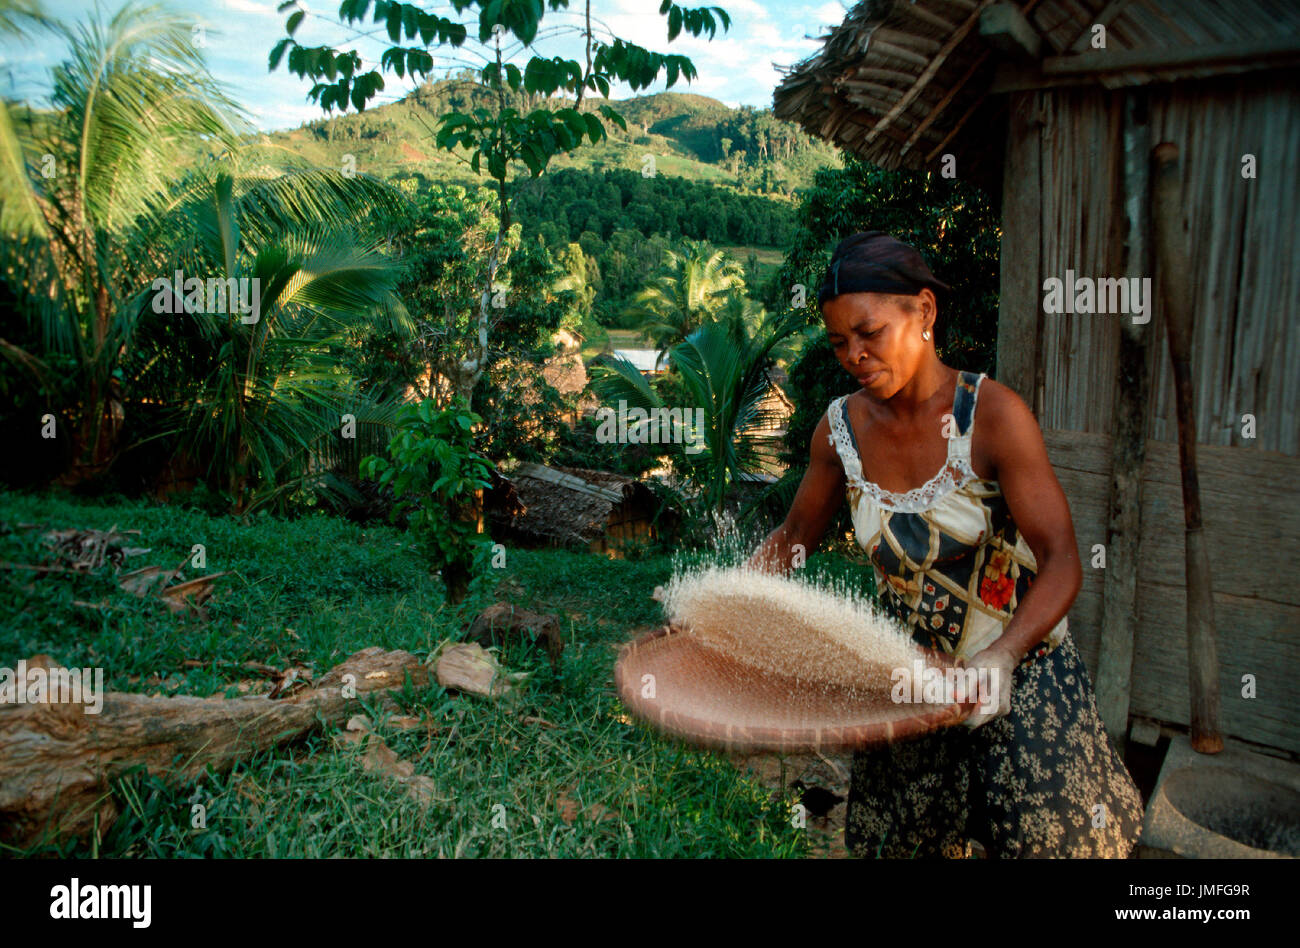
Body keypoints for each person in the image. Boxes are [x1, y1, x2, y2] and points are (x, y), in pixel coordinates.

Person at [747, 232, 1144, 858]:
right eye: (838, 342)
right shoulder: (839, 431)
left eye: (869, 333)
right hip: (909, 685)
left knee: (1061, 843)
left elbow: (1064, 558)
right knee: (899, 847)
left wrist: (1003, 658)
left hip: (1020, 672)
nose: (853, 354)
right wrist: (730, 606)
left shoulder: (991, 417)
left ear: (924, 312)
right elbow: (795, 538)